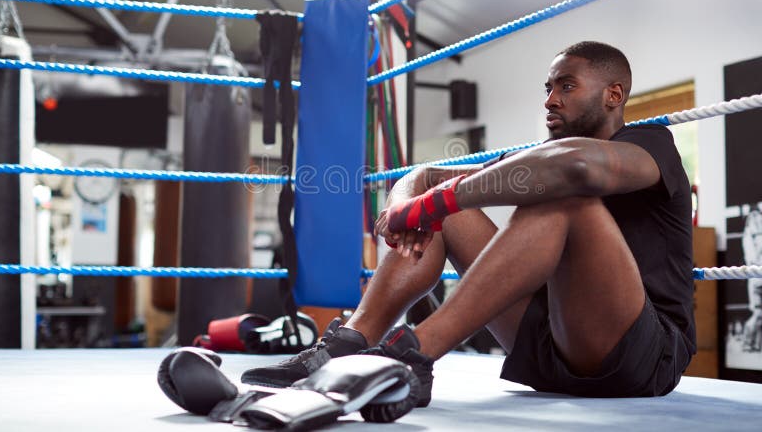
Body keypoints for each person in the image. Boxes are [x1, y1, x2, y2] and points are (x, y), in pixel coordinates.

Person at [242, 41, 695, 404]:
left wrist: (431, 203)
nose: (550, 100)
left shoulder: (651, 146)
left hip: (641, 354)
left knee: (563, 198)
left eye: (567, 86)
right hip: (549, 346)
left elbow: (578, 169)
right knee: (448, 210)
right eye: (548, 87)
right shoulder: (542, 155)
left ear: (613, 95)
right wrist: (408, 207)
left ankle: (411, 354)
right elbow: (425, 177)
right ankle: (353, 342)